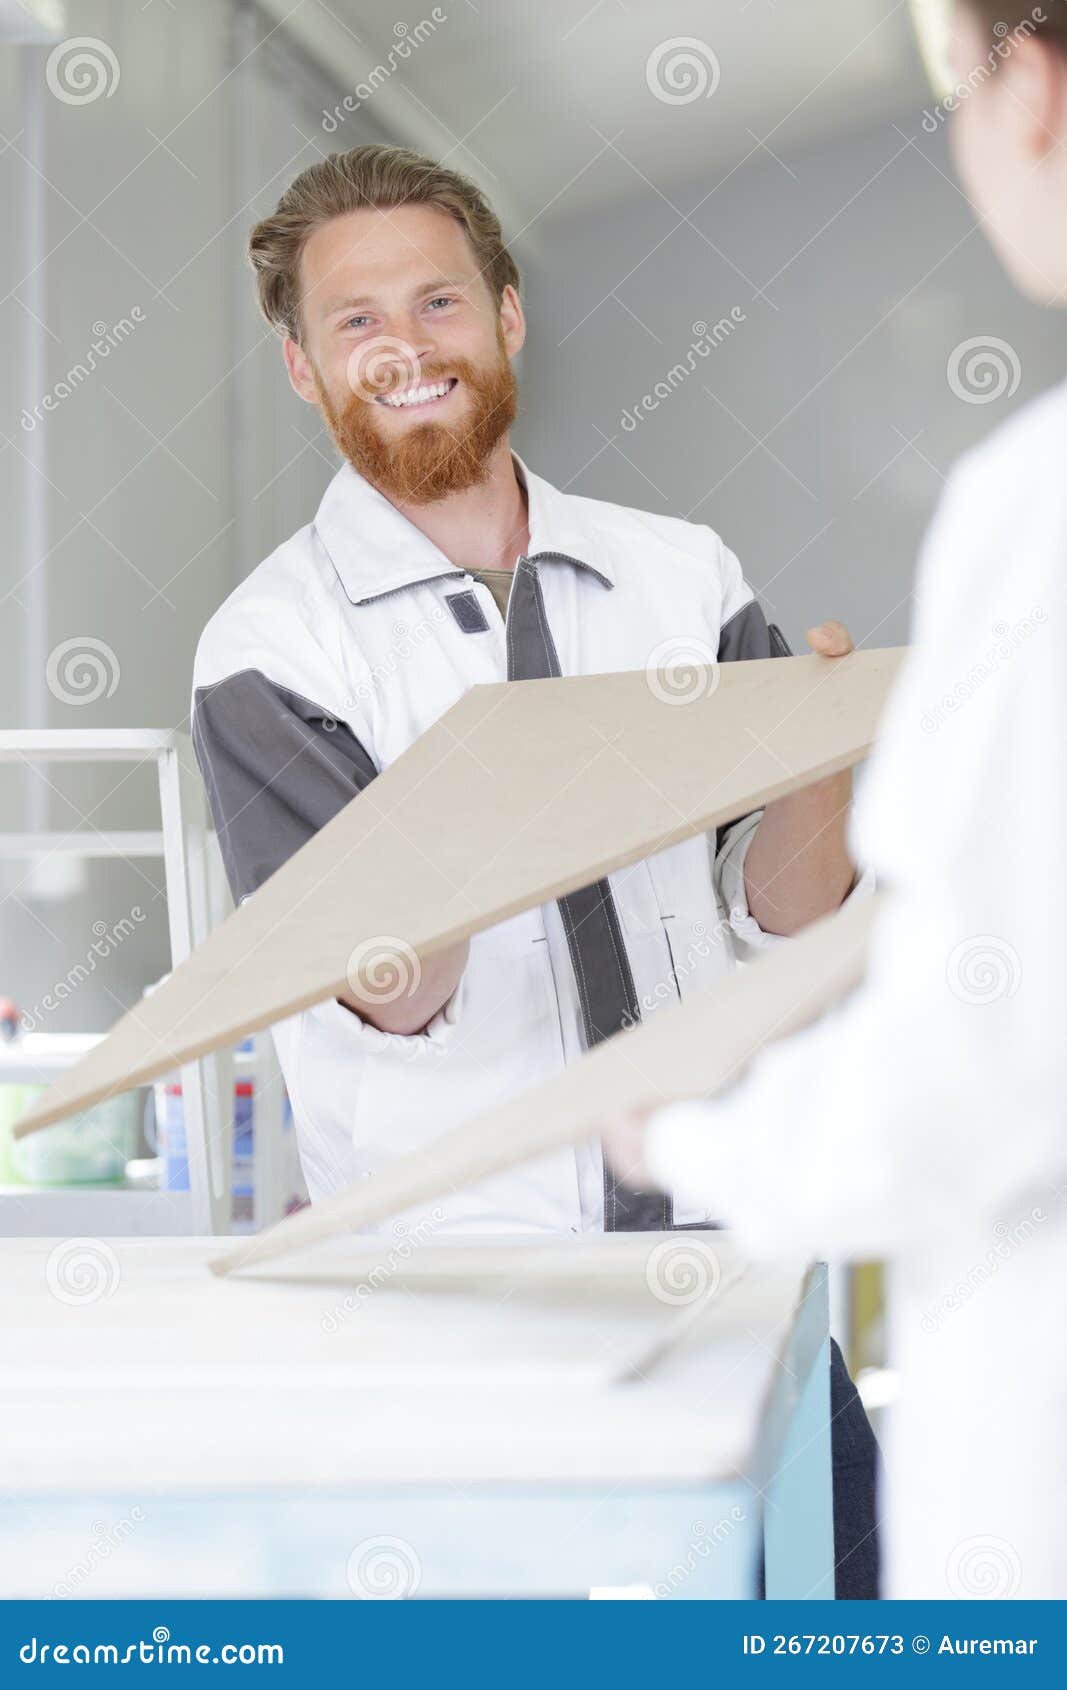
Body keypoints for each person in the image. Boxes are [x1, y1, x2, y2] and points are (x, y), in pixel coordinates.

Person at [191, 143, 879, 1595]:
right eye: (355, 323)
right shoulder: (272, 651)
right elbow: (391, 984)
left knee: (834, 1619)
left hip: (734, 1267)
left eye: (436, 303)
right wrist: (499, 771)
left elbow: (778, 914)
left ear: (508, 317)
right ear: (305, 371)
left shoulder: (680, 577)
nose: (403, 349)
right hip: (458, 1313)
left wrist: (821, 765)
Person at [602, 0, 1067, 1601]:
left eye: (961, 80)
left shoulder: (1039, 507)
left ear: (1038, 95)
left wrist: (701, 1136)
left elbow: (970, 1068)